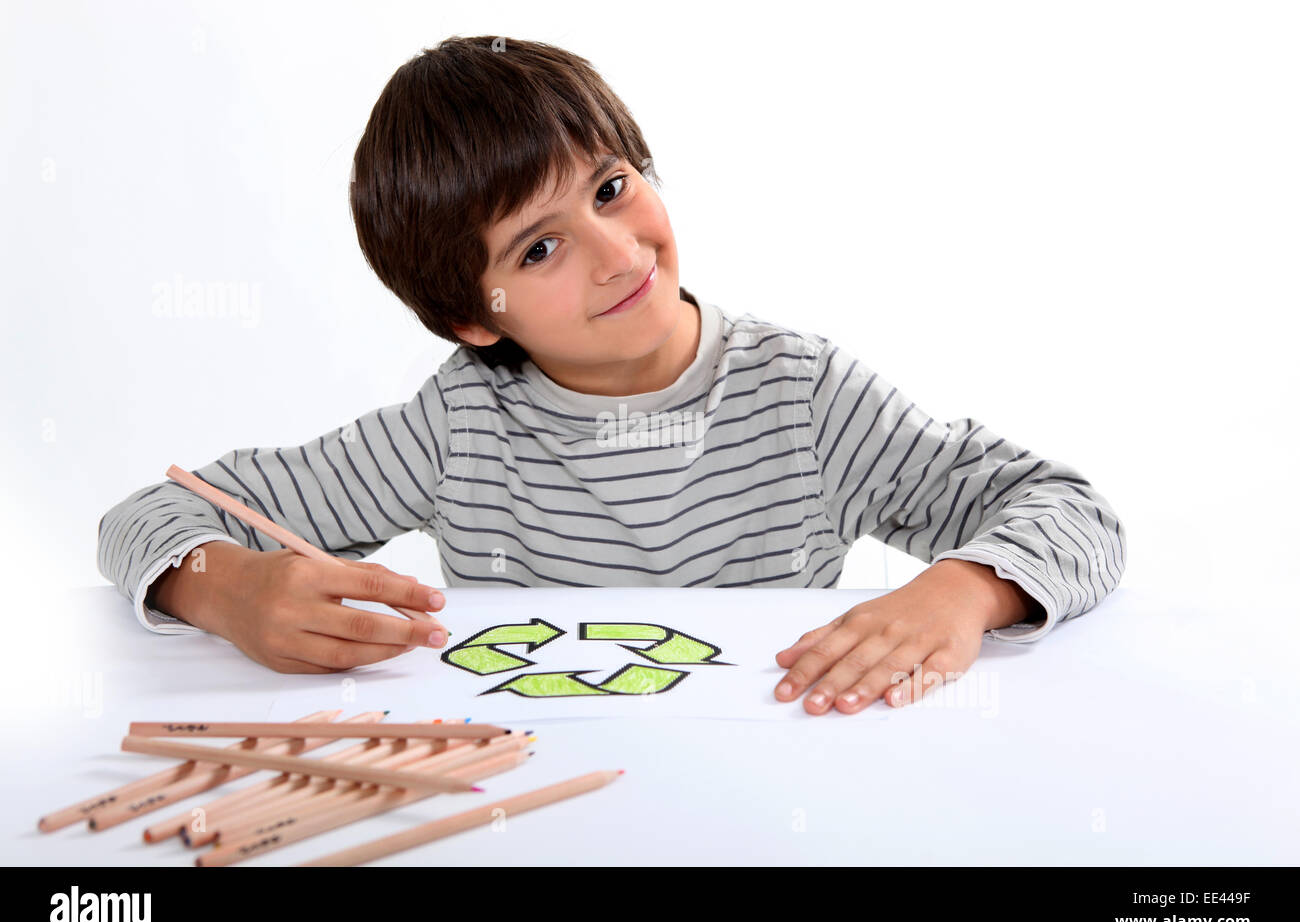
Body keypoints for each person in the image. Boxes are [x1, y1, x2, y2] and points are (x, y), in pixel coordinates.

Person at [97, 36, 1125, 715]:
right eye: (537, 249)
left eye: (611, 187)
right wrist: (225, 587)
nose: (616, 251)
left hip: (777, 789)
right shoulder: (456, 427)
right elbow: (150, 512)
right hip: (525, 801)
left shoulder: (804, 397)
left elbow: (1071, 509)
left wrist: (965, 587)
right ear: (470, 315)